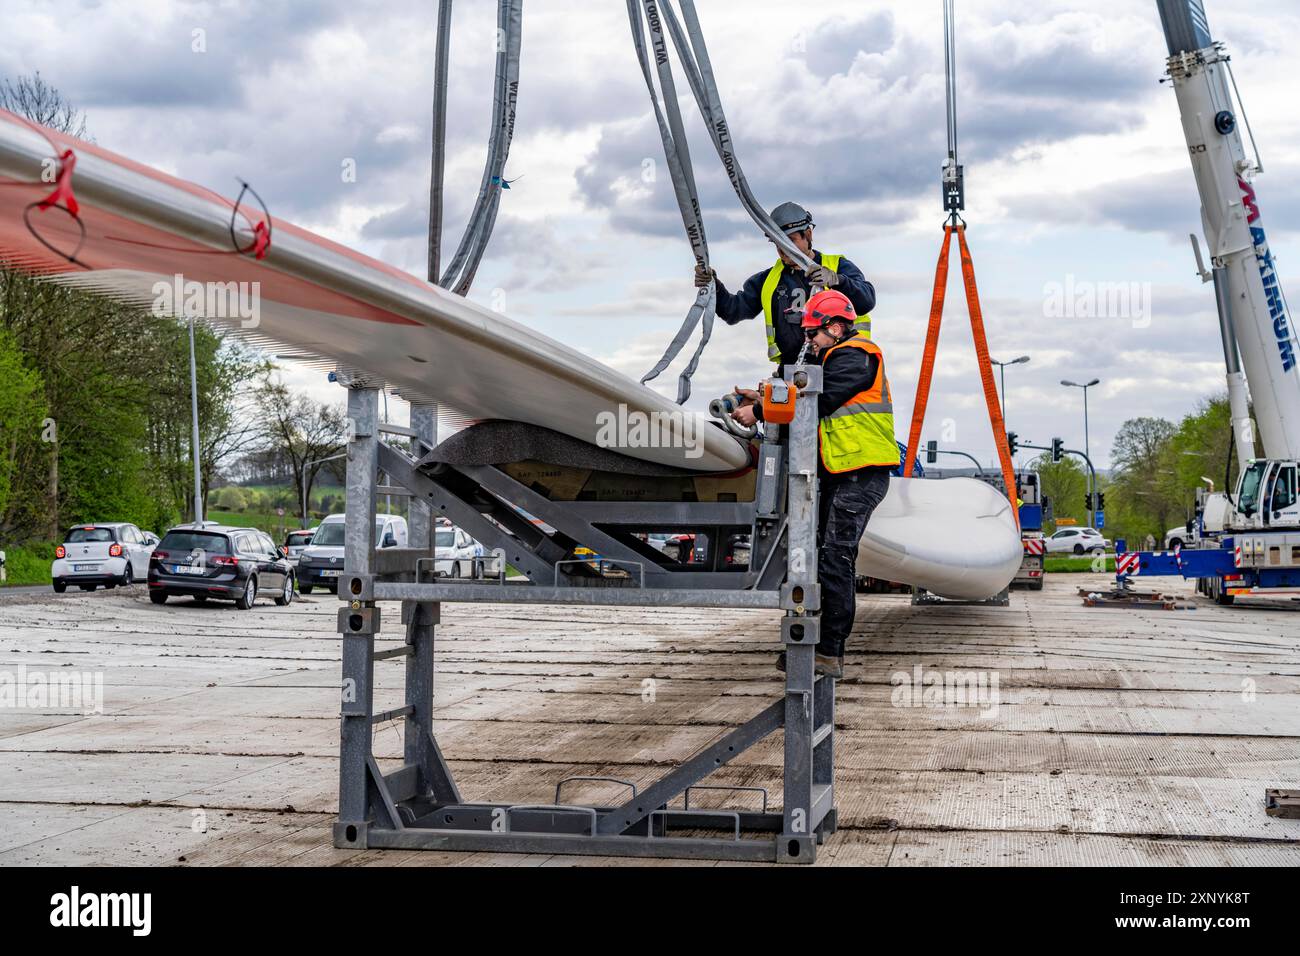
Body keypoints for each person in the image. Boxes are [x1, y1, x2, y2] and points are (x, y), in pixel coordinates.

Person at [731, 289, 897, 677]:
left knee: (834, 557)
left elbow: (815, 402)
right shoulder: (839, 357)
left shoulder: (856, 354)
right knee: (818, 556)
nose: (808, 342)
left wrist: (758, 410)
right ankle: (815, 645)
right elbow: (807, 396)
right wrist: (764, 395)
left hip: (861, 473)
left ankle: (829, 651)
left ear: (836, 327)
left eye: (813, 334)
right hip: (843, 474)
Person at [696, 201, 876, 370]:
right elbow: (733, 311)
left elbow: (867, 301)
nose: (783, 249)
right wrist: (714, 286)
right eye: (778, 243)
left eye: (791, 240)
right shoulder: (769, 280)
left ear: (808, 234)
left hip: (840, 368)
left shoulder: (838, 267)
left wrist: (838, 281)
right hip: (792, 372)